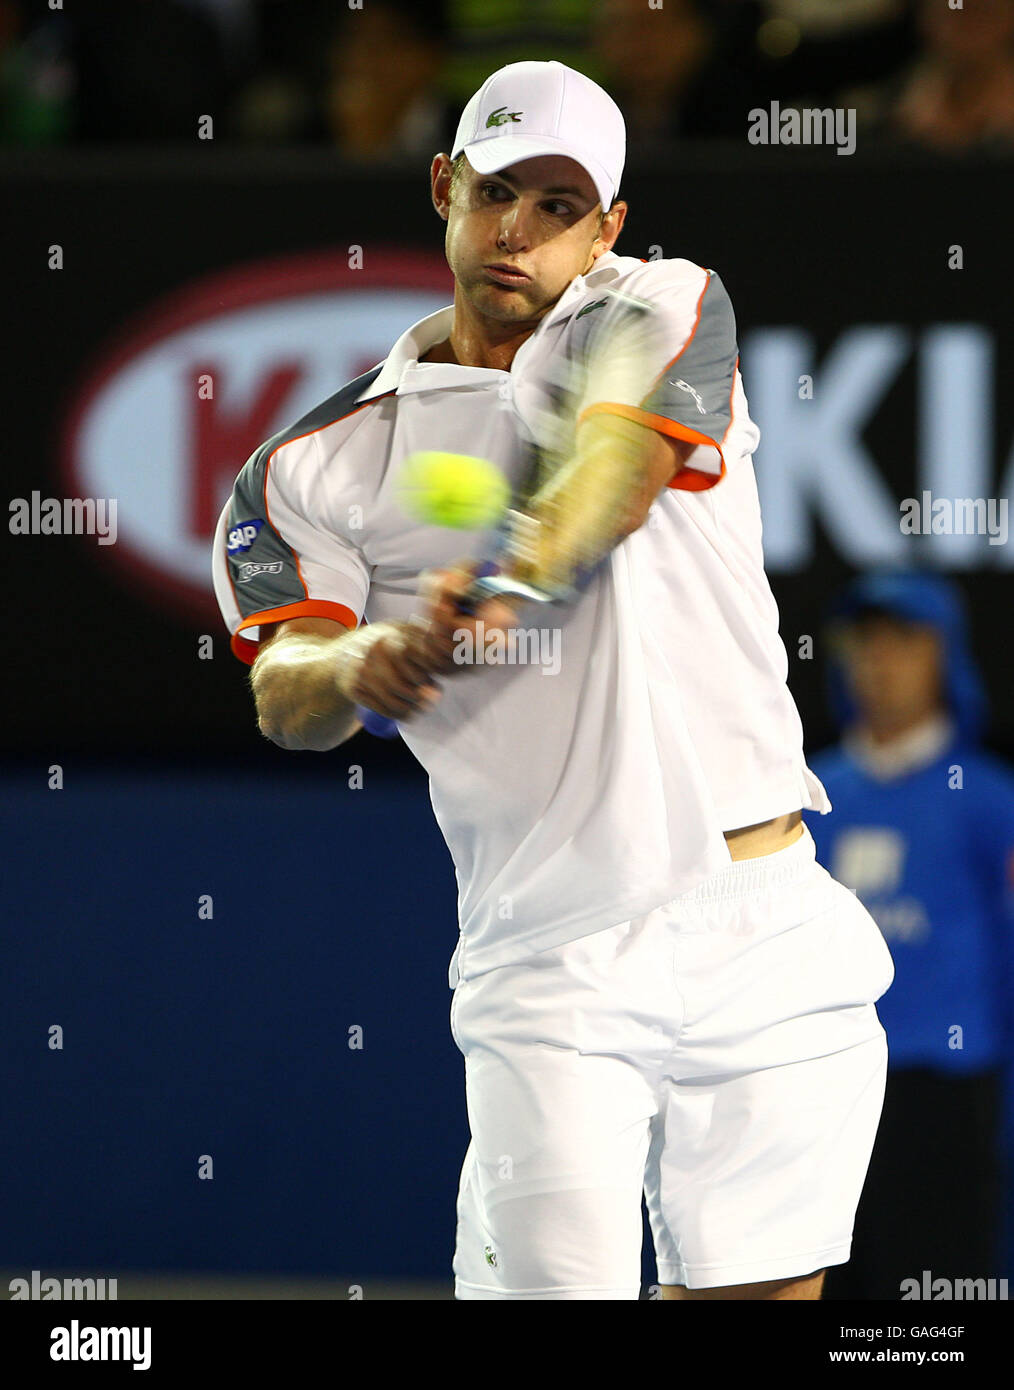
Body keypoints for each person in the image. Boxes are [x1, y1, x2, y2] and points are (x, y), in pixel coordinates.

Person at [212, 59, 895, 1301]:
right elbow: (285, 692)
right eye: (497, 192)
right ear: (442, 186)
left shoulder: (662, 305)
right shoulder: (315, 466)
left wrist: (517, 576)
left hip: (766, 922)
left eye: (560, 206)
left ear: (610, 228)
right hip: (555, 955)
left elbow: (615, 473)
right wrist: (364, 658)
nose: (518, 231)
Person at [804, 572, 1014, 1301]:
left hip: (945, 1097)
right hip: (823, 1090)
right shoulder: (804, 798)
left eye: (903, 642)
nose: (880, 661)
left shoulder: (989, 800)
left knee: (939, 1309)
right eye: (865, 643)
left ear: (944, 658)